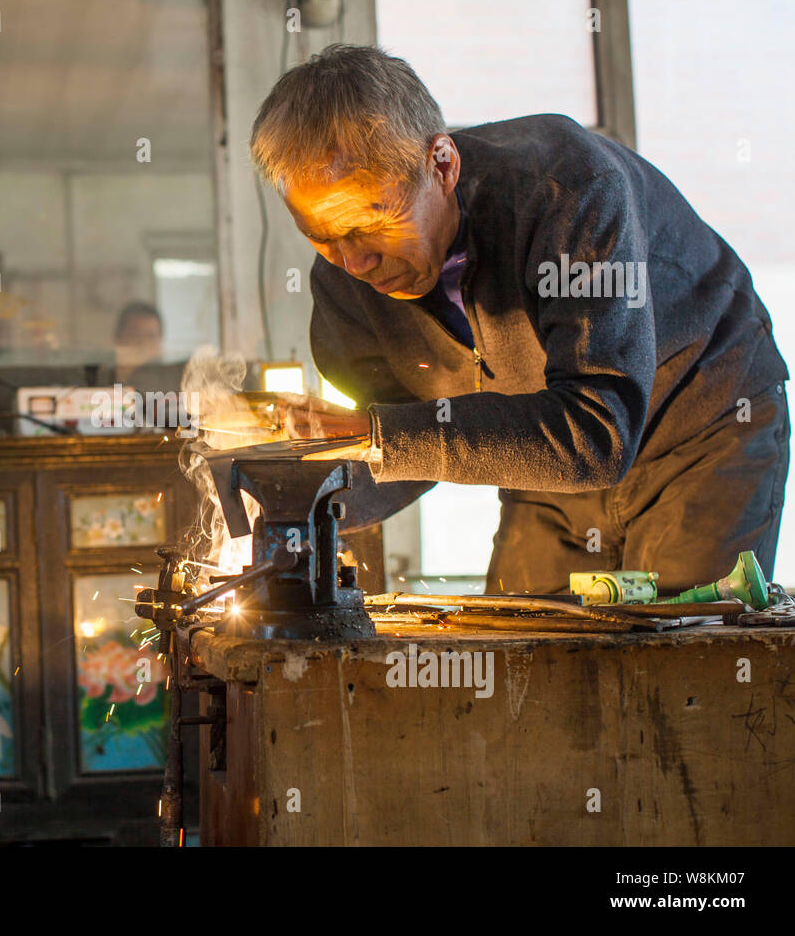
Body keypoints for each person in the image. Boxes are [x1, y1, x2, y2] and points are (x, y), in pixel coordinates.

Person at [251, 45, 789, 594]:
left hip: (698, 432)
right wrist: (291, 499)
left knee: (682, 656)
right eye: (321, 235)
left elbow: (597, 436)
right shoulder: (342, 281)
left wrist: (379, 434)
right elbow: (406, 444)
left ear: (442, 163)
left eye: (371, 223)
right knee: (524, 657)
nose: (356, 263)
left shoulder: (569, 190)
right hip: (547, 458)